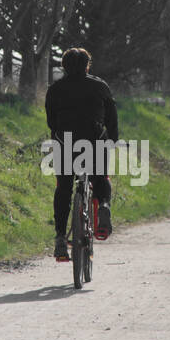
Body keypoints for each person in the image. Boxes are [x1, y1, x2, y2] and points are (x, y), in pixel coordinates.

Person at [45, 48, 117, 261]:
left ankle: (60, 237)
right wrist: (111, 140)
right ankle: (103, 205)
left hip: (65, 142)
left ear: (63, 66)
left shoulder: (55, 89)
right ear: (88, 65)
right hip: (95, 140)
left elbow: (51, 121)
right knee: (100, 177)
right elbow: (112, 119)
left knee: (64, 188)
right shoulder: (100, 86)